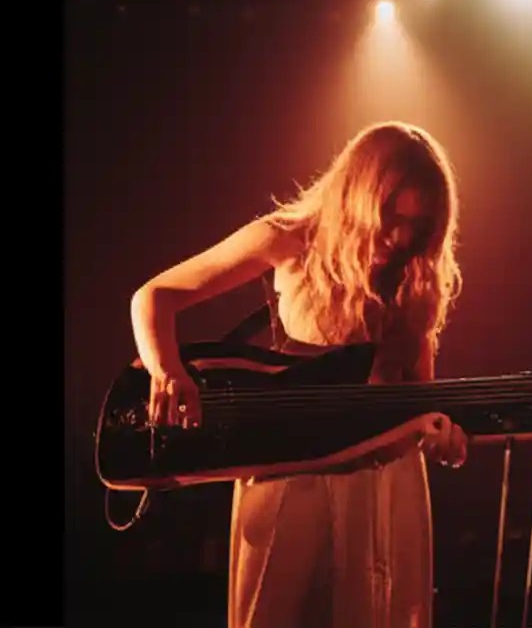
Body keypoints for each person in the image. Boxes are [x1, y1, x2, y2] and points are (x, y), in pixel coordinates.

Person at [129, 120, 469, 628]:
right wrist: (167, 372)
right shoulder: (285, 239)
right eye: (390, 218)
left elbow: (419, 396)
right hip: (289, 474)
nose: (400, 239)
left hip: (381, 483)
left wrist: (442, 430)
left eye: (417, 228)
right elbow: (154, 297)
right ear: (357, 196)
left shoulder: (412, 274)